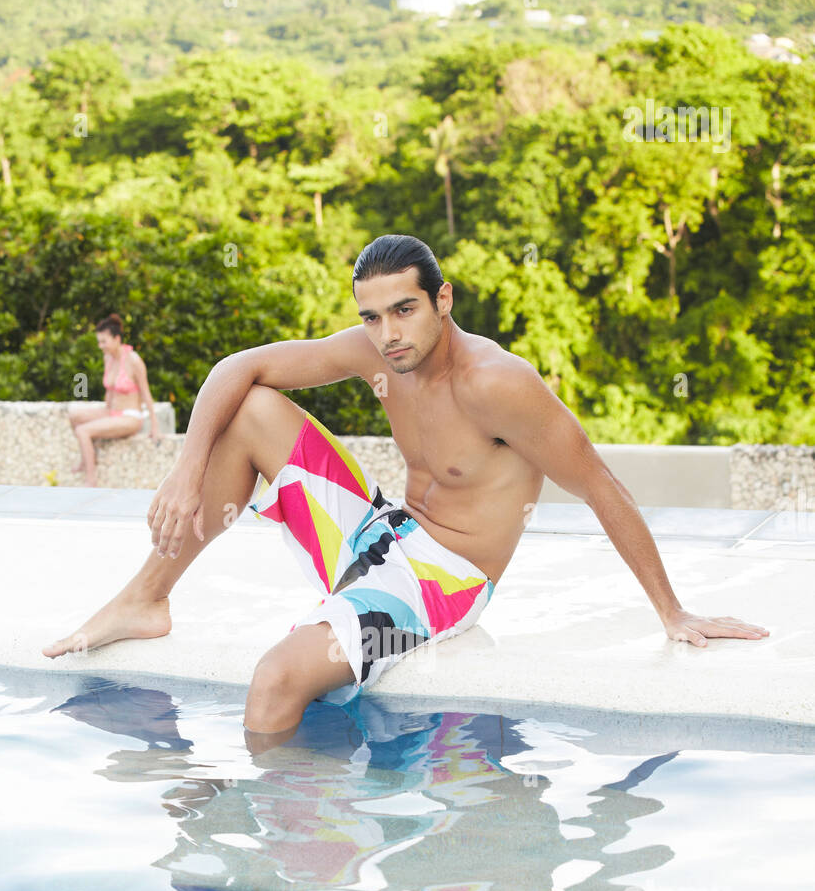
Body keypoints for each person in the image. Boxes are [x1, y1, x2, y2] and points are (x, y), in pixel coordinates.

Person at [43, 234, 769, 748]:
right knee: (253, 409)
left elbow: (603, 488)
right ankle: (147, 599)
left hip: (442, 579)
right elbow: (240, 364)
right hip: (382, 531)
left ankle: (296, 848)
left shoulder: (498, 385)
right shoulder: (377, 352)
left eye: (404, 310)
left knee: (275, 681)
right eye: (371, 315)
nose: (387, 334)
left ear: (442, 298)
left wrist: (672, 612)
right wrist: (183, 467)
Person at [67, 313, 161, 484]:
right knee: (74, 416)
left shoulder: (134, 361)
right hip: (112, 411)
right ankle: (87, 455)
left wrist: (155, 426)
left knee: (83, 431)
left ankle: (90, 479)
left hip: (130, 416)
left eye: (104, 341)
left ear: (117, 338)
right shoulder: (108, 358)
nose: (100, 346)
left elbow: (146, 393)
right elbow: (110, 390)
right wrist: (104, 412)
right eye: (99, 341)